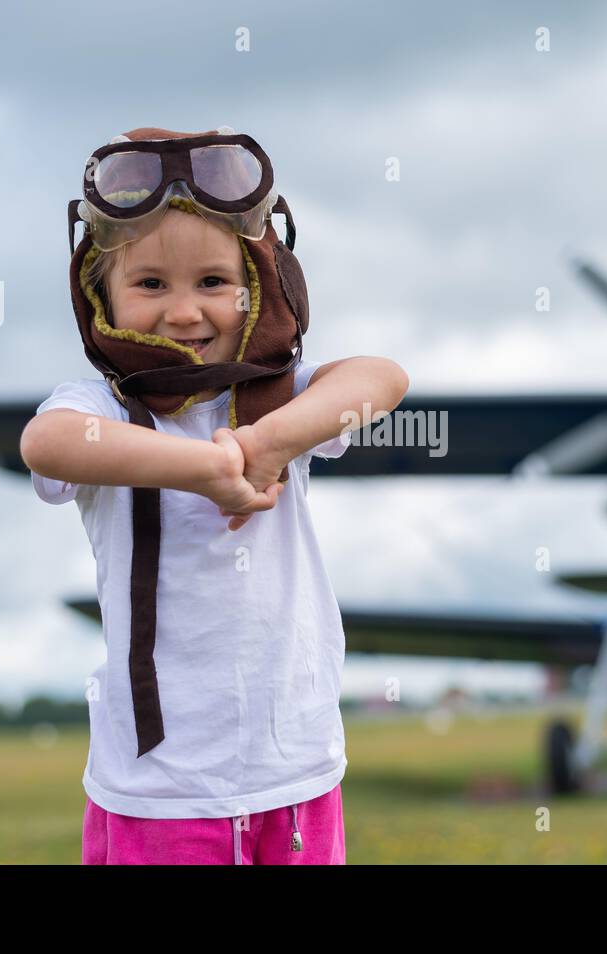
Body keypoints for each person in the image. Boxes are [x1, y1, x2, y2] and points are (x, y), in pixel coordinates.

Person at [20, 125, 409, 864]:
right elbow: (46, 445)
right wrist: (197, 467)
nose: (185, 311)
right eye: (149, 284)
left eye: (212, 282)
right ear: (98, 295)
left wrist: (269, 443)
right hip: (159, 790)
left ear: (258, 284)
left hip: (293, 771)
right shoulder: (102, 406)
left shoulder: (276, 401)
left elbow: (382, 378)